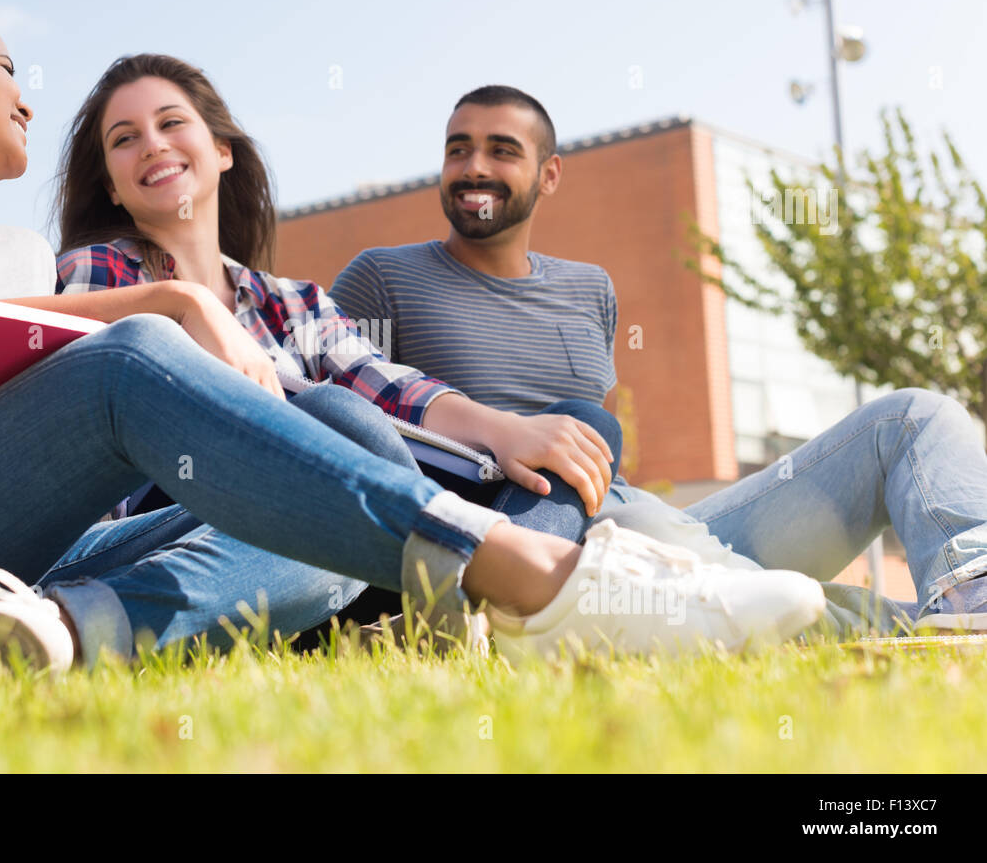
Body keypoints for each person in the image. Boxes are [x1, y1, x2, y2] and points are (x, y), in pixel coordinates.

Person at [0, 0, 824, 677]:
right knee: (134, 347)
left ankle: (50, 636)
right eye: (3, 64)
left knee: (330, 469)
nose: (27, 92)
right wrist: (172, 300)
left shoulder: (12, 251)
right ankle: (537, 582)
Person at [329, 84, 987, 636]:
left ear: (549, 173)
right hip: (510, 543)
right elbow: (346, 450)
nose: (474, 167)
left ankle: (967, 600)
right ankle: (907, 628)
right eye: (457, 149)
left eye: (502, 150)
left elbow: (604, 447)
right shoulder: (382, 278)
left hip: (635, 520)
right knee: (760, 597)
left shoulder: (590, 289)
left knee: (916, 417)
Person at [53, 54, 629, 628]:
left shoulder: (291, 300)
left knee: (581, 425)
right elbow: (97, 440)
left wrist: (504, 430)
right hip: (210, 527)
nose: (152, 144)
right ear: (111, 186)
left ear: (223, 150)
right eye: (125, 138)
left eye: (171, 123)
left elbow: (388, 387)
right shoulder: (100, 270)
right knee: (332, 413)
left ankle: (474, 612)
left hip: (348, 536)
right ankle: (484, 597)